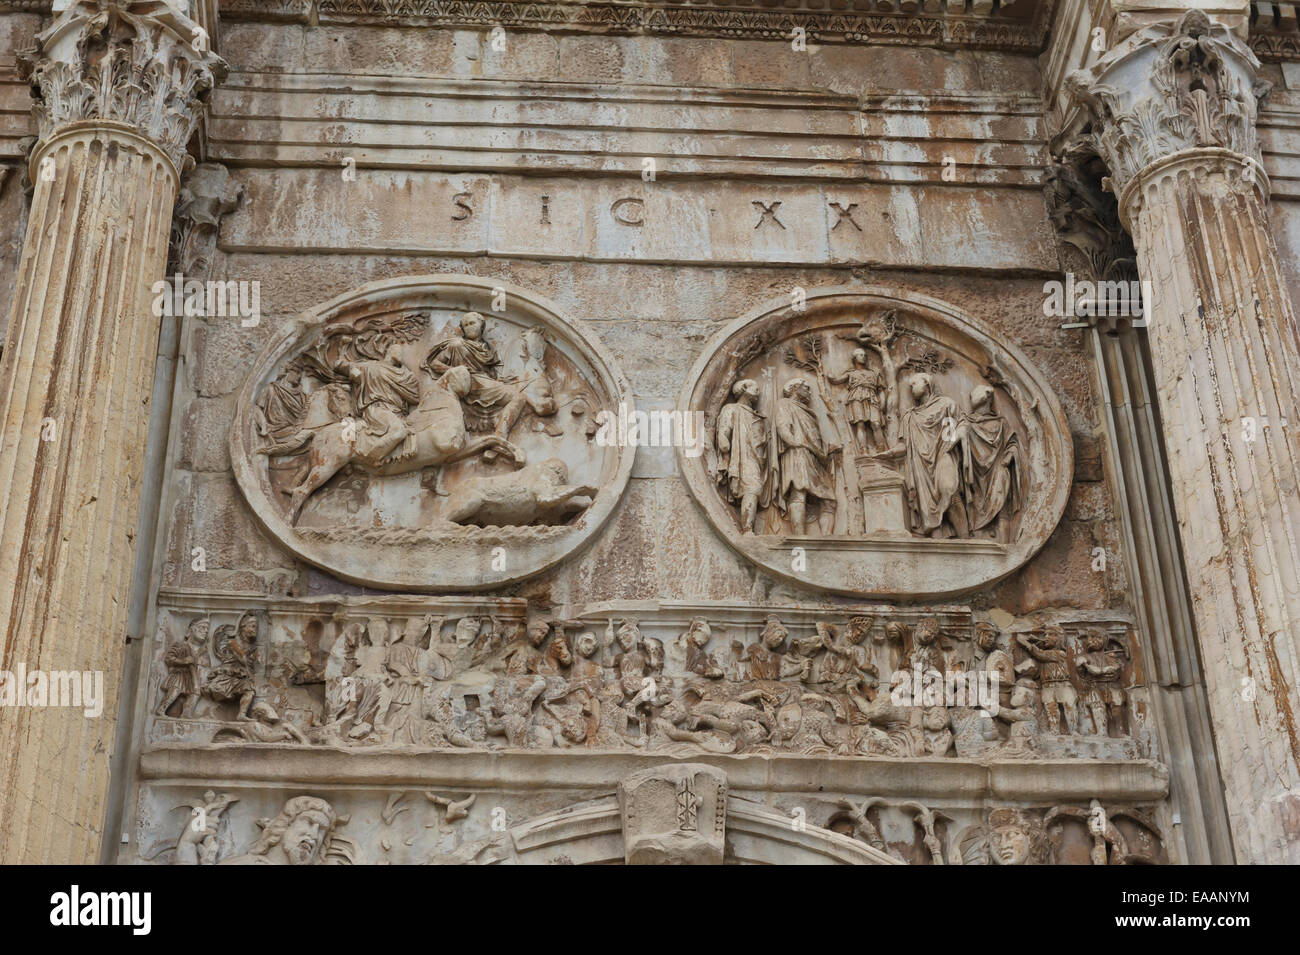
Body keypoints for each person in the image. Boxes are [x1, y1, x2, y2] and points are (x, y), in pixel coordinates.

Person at [880, 373, 969, 538]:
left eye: (914, 384)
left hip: (943, 454)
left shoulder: (946, 405)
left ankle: (965, 537)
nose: (911, 388)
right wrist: (888, 453)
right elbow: (904, 446)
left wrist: (959, 435)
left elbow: (959, 426)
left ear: (927, 383)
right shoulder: (910, 416)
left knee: (949, 488)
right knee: (927, 506)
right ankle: (937, 543)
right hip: (920, 464)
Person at [774, 377, 837, 533]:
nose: (809, 391)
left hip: (816, 456)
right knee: (798, 491)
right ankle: (799, 537)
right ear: (795, 388)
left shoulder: (809, 412)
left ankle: (828, 538)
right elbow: (782, 426)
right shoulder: (785, 404)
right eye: (806, 387)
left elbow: (814, 436)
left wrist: (826, 450)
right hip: (798, 452)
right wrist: (796, 443)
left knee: (829, 499)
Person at [961, 384, 1022, 542]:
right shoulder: (967, 423)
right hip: (975, 474)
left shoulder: (1001, 423)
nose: (971, 397)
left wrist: (1007, 458)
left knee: (1002, 503)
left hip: (997, 469)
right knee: (973, 503)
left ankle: (1005, 545)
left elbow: (1013, 443)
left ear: (987, 398)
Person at [715, 378, 768, 533]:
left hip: (756, 458)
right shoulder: (731, 409)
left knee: (755, 489)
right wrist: (723, 441)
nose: (758, 394)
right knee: (753, 489)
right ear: (745, 388)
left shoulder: (755, 414)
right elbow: (724, 429)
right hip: (742, 457)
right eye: (755, 389)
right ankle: (747, 529)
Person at [828, 348, 886, 453]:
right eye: (860, 355)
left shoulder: (873, 373)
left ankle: (881, 448)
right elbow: (837, 380)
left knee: (876, 424)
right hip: (856, 397)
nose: (863, 357)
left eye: (864, 355)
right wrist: (830, 376)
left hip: (872, 398)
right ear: (854, 358)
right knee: (860, 424)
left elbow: (881, 389)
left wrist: (883, 402)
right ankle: (864, 450)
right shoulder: (851, 373)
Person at [157, 617, 208, 718]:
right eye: (203, 628)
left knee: (195, 693)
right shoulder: (180, 645)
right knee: (174, 692)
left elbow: (206, 667)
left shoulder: (203, 651)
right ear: (193, 629)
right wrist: (183, 661)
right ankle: (161, 709)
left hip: (192, 678)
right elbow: (169, 658)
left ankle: (186, 714)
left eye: (207, 629)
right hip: (180, 675)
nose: (206, 631)